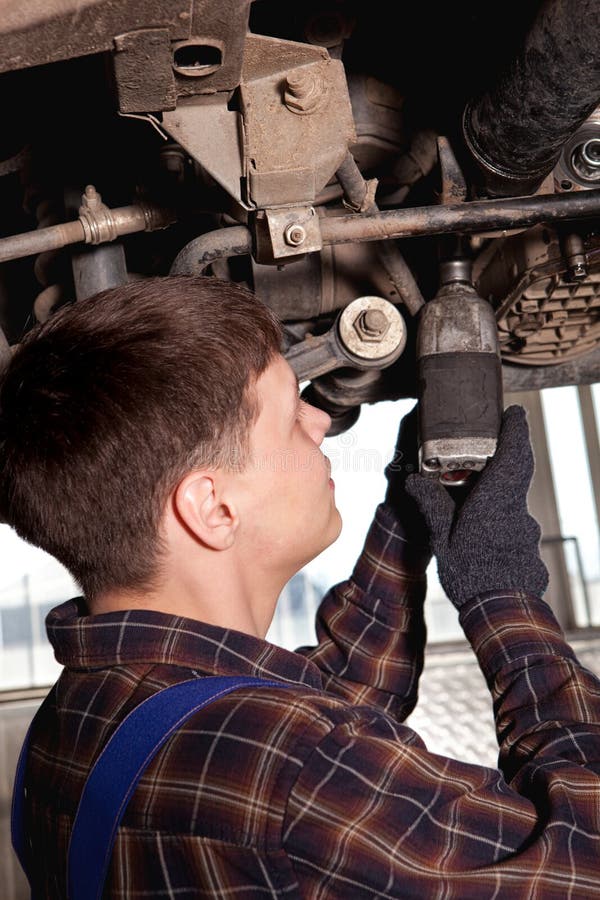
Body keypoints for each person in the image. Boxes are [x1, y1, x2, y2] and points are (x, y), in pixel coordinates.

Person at [2, 274, 600, 898]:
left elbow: (329, 704)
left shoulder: (77, 717)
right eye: (291, 415)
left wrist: (409, 509)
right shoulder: (298, 769)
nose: (319, 422)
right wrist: (500, 592)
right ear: (214, 509)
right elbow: (583, 855)